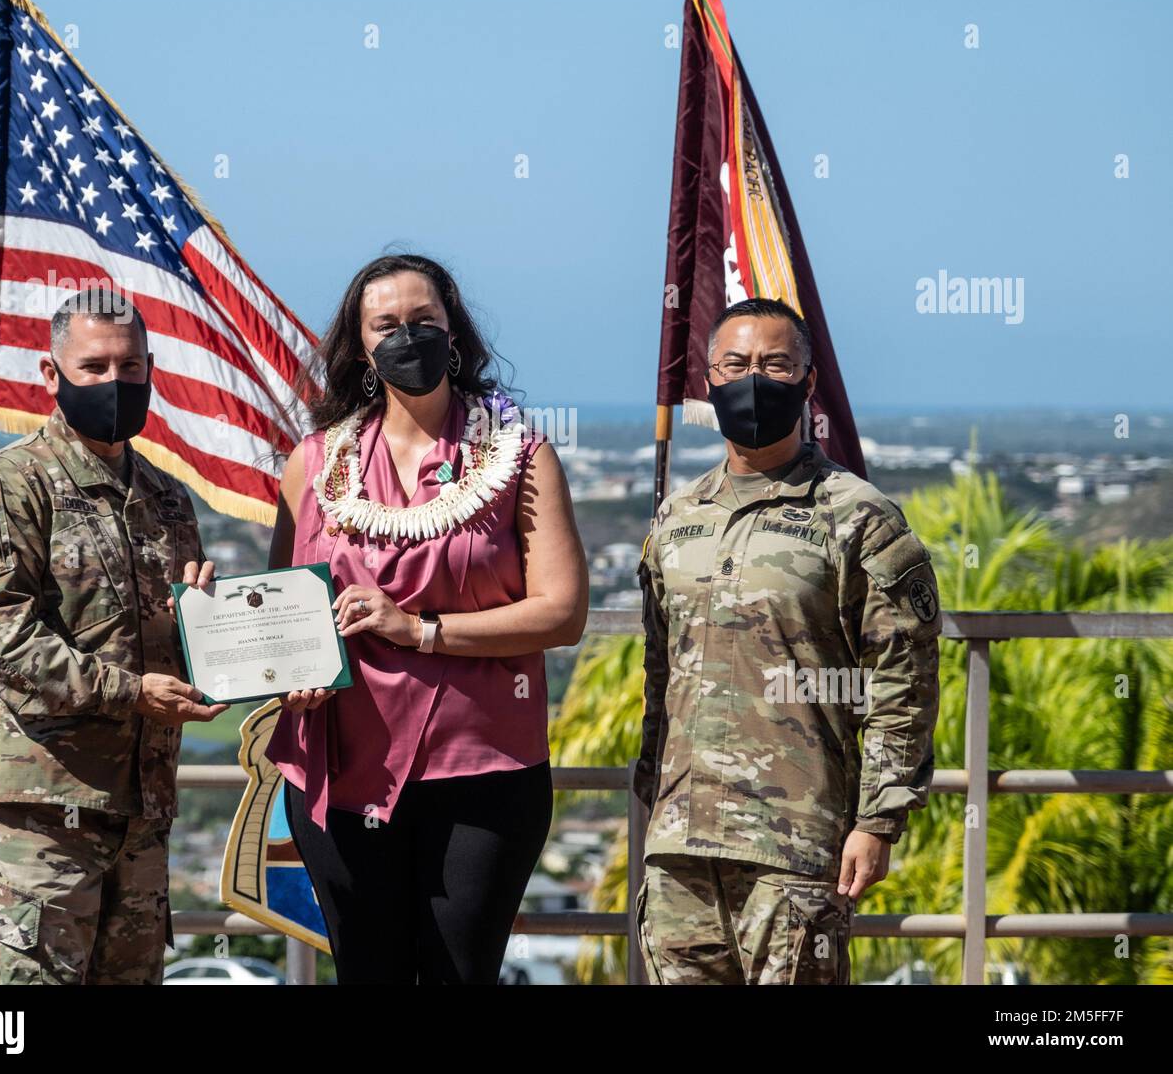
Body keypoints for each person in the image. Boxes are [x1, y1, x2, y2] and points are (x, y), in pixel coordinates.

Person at [266, 253, 588, 984]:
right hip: (344, 769)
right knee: (366, 972)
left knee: (459, 974)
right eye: (387, 325)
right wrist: (280, 667)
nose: (408, 338)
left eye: (425, 322)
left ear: (455, 333)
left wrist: (423, 631)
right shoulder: (313, 463)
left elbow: (563, 612)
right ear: (358, 346)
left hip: (481, 769)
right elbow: (290, 610)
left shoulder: (519, 456)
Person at [634, 297, 941, 985]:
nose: (752, 379)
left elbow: (904, 682)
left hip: (798, 842)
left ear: (807, 383)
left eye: (775, 365)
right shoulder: (679, 519)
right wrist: (651, 797)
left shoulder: (859, 517)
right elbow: (662, 675)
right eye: (735, 364)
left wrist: (878, 820)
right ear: (708, 382)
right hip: (680, 841)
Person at [0, 290, 225, 985]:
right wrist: (131, 694)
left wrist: (223, 631)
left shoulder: (166, 499)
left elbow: (175, 647)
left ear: (151, 370)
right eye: (93, 366)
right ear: (51, 375)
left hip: (141, 816)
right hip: (39, 823)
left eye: (130, 367)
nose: (113, 382)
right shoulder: (10, 485)